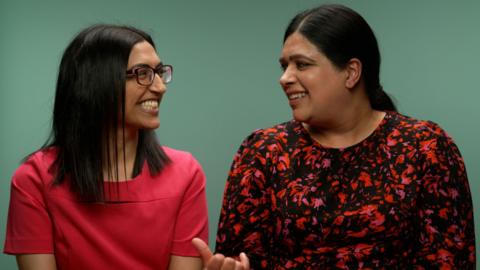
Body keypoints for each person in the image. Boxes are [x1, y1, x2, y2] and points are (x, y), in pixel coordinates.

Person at [213, 4, 476, 269]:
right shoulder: (263, 151)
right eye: (284, 66)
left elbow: (449, 259)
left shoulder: (426, 147)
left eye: (302, 65)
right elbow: (241, 257)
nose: (285, 78)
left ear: (351, 72)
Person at [4, 24, 210, 270]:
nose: (160, 87)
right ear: (95, 82)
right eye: (143, 73)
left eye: (159, 72)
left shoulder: (186, 174)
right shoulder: (34, 180)